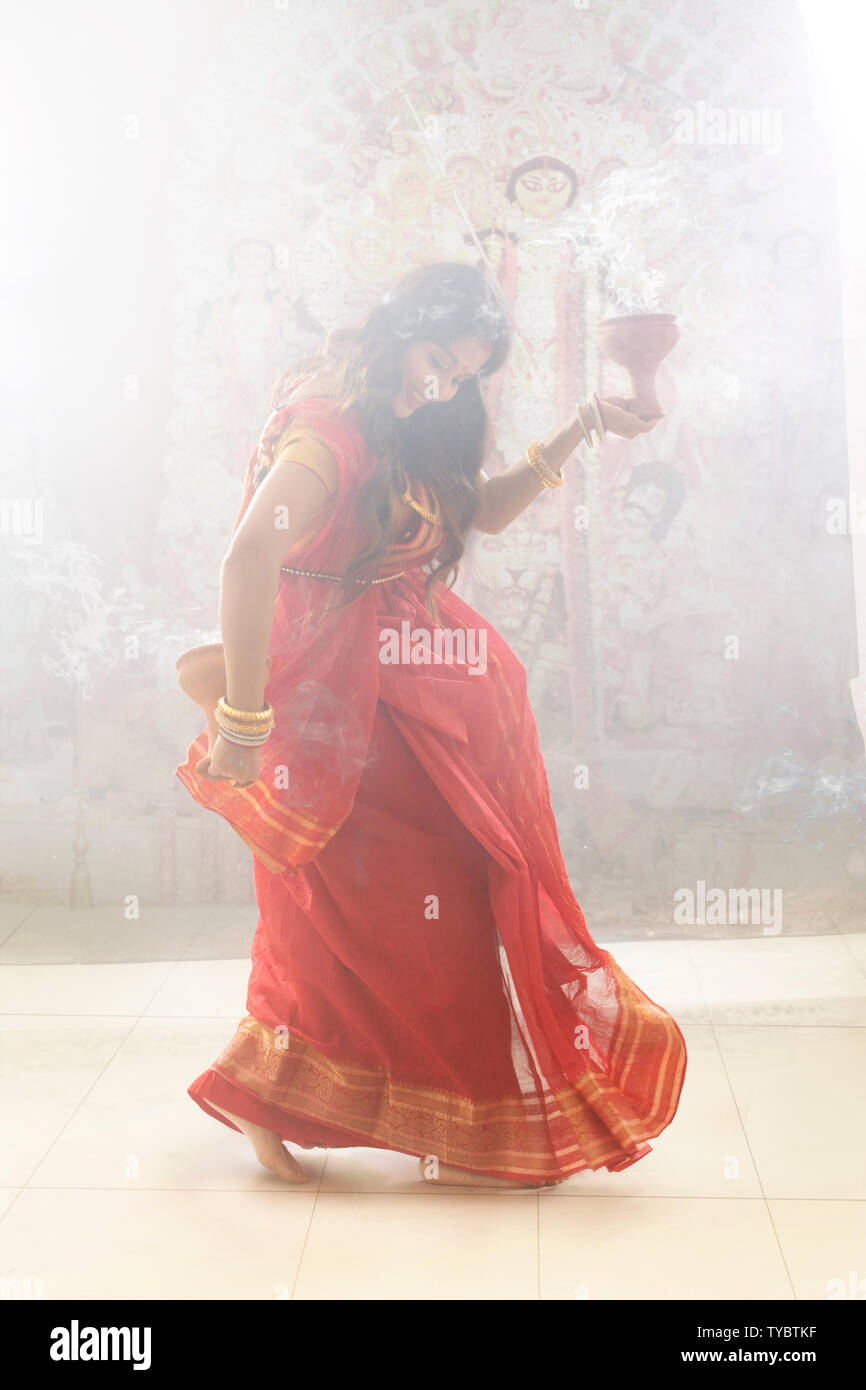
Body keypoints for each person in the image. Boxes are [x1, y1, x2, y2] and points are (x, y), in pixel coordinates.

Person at [174, 261, 687, 1189]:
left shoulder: (400, 419)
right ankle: (271, 1090)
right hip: (343, 714)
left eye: (458, 375)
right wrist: (245, 724)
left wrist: (580, 425)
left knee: (456, 897)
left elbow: (476, 512)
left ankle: (433, 1105)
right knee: (338, 914)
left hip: (424, 706)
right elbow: (251, 557)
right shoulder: (328, 431)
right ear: (399, 324)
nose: (437, 385)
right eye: (433, 358)